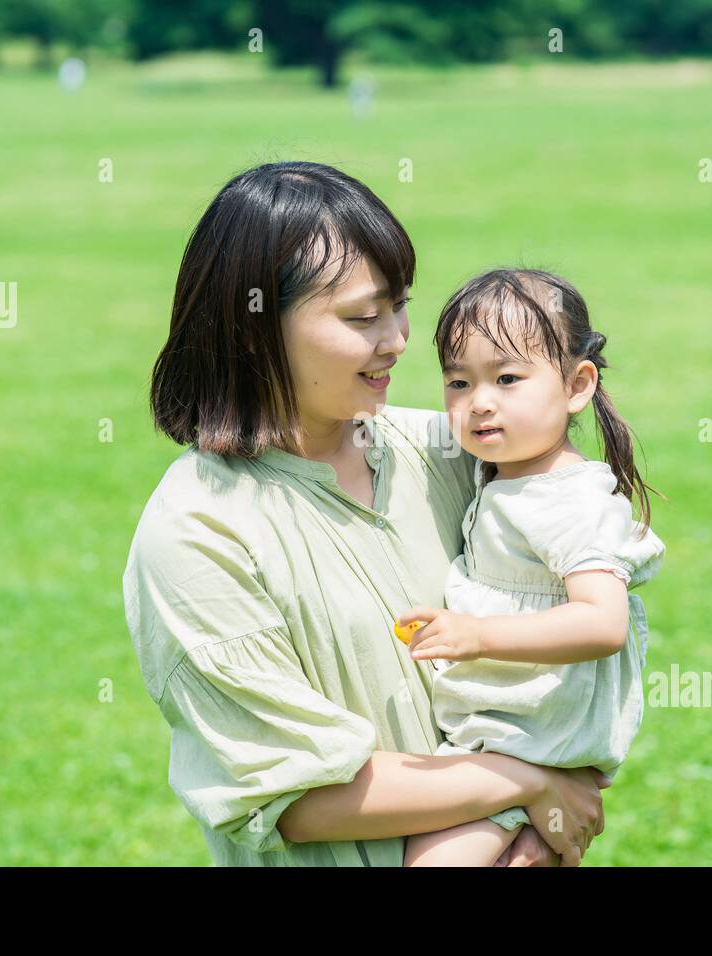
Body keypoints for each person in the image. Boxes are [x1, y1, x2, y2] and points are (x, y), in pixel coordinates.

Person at [122, 162, 610, 866]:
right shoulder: (198, 532)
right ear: (256, 328)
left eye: (400, 305)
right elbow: (300, 798)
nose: (398, 340)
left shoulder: (449, 452)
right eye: (362, 317)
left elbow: (580, 614)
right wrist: (530, 783)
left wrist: (532, 829)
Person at [395, 268, 666, 866]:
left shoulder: (569, 499)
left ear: (576, 386)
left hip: (531, 743)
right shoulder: (509, 475)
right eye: (458, 382)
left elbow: (602, 623)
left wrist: (477, 635)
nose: (478, 402)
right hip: (506, 738)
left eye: (508, 378)